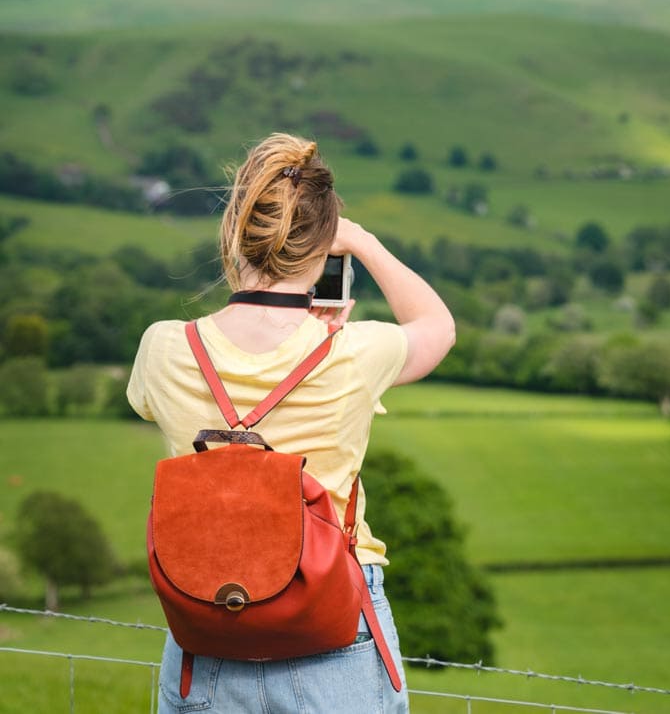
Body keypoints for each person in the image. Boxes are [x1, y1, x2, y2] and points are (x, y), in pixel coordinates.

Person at [128, 132, 455, 714]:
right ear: (323, 245)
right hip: (333, 626)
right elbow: (437, 326)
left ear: (233, 233)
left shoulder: (163, 347)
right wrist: (365, 244)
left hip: (207, 629)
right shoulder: (353, 352)